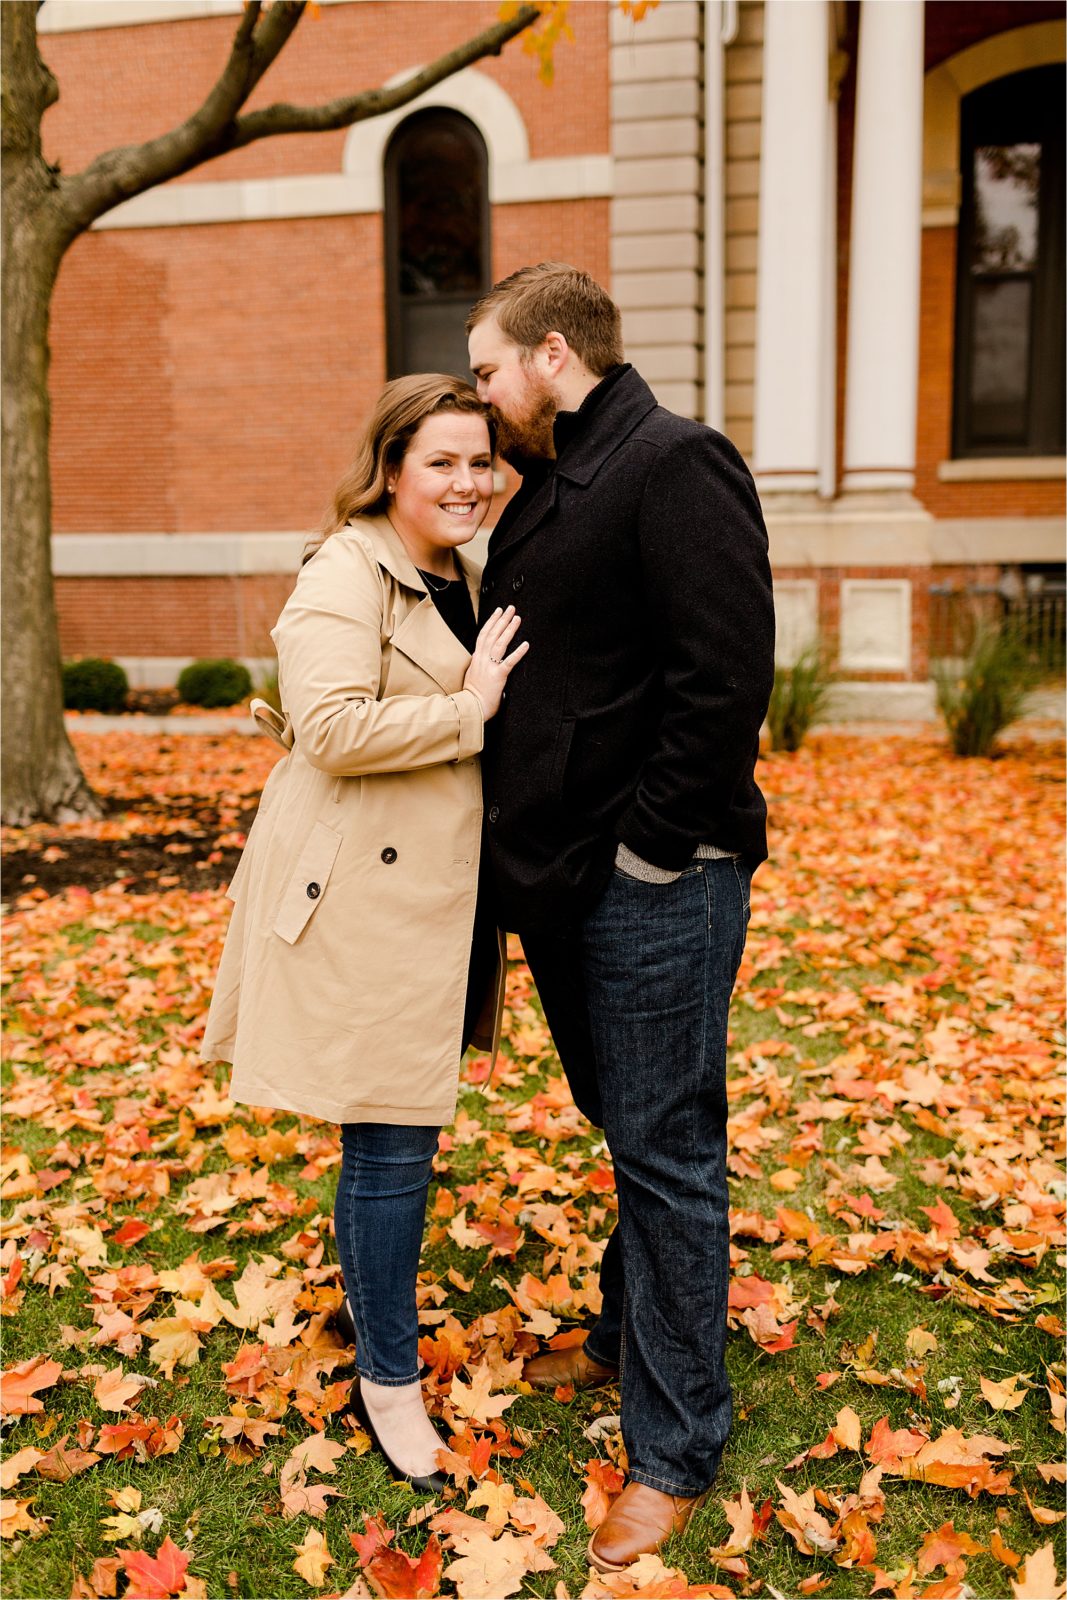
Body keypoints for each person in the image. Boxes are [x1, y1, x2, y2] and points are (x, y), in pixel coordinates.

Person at [467, 264, 775, 1571]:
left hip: (647, 878)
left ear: (549, 355)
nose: (479, 398)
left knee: (660, 1146)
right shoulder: (552, 490)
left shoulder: (671, 461)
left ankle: (673, 1443)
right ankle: (626, 1326)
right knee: (631, 1125)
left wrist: (652, 851)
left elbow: (723, 678)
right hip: (559, 885)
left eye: (486, 371)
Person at [200, 374, 528, 1491]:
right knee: (389, 1143)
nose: (466, 480)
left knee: (398, 1137)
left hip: (433, 892)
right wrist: (467, 709)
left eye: (479, 459)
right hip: (358, 897)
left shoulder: (461, 571)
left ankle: (374, 1332)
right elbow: (331, 727)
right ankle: (388, 1381)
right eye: (440, 461)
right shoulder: (345, 569)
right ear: (391, 468)